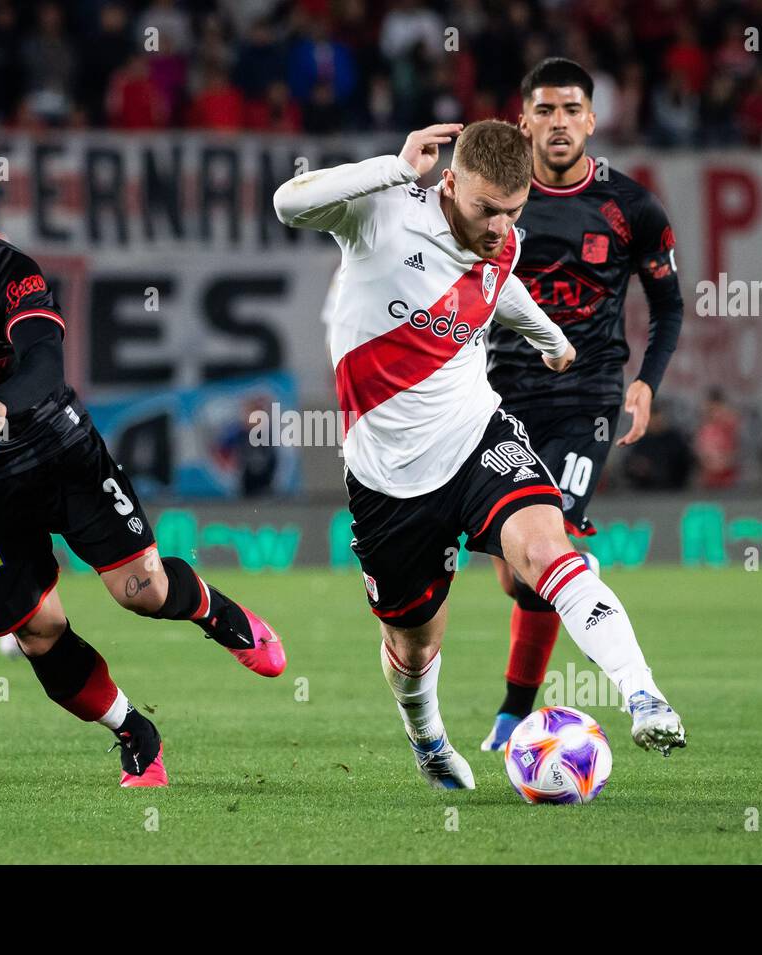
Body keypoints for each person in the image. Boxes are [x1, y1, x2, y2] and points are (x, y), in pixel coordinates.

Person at [0, 152, 286, 788]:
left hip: (55, 451)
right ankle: (134, 731)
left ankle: (213, 611)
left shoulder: (8, 270)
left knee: (142, 591)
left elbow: (45, 360)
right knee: (39, 634)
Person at [274, 120, 685, 790]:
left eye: (513, 211)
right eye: (485, 209)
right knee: (414, 646)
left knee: (549, 551)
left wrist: (550, 338)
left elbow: (500, 285)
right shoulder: (383, 212)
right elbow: (287, 203)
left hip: (476, 437)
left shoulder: (505, 237)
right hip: (387, 476)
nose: (499, 227)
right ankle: (428, 737)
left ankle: (644, 696)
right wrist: (390, 164)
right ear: (450, 181)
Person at [481, 58, 685, 749]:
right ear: (523, 122)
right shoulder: (496, 202)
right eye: (545, 110)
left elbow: (668, 303)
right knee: (517, 577)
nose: (559, 122)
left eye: (572, 110)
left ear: (592, 120)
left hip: (588, 397)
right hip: (500, 402)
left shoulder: (632, 208)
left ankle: (534, 711)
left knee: (550, 546)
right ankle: (517, 702)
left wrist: (646, 380)